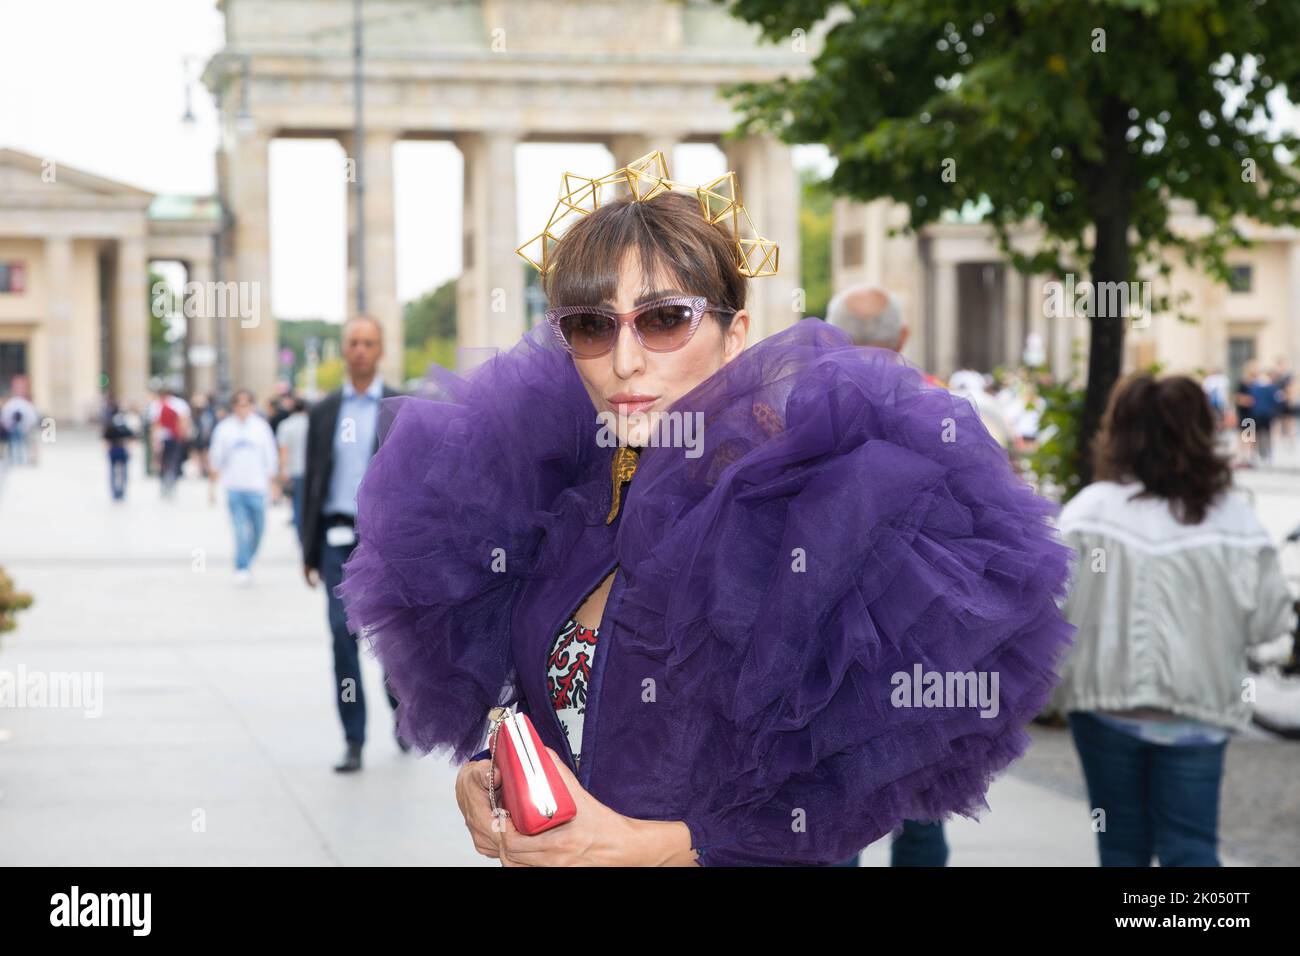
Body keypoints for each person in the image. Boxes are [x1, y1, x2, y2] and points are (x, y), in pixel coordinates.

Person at [338, 154, 1074, 866]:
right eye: (591, 325)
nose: (624, 360)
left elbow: (850, 795)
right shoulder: (557, 504)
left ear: (736, 334)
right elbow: (537, 702)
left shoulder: (806, 515)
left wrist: (667, 848)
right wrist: (485, 771)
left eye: (663, 319)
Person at [1051, 373, 1294, 867]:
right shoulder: (1234, 520)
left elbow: (1053, 613)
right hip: (1198, 707)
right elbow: (1270, 624)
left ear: (1118, 433)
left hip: (1105, 706)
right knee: (1191, 848)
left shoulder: (1087, 514)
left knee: (1120, 848)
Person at [826, 283, 953, 868]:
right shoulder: (947, 415)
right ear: (902, 339)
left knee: (832, 822)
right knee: (922, 815)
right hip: (926, 654)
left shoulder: (800, 415)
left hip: (828, 661)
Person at [300, 315, 404, 773]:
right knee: (342, 638)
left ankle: (402, 710)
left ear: (379, 350)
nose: (360, 350)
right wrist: (307, 551)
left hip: (383, 544)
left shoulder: (401, 406)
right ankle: (354, 739)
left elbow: (418, 483)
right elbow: (312, 484)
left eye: (369, 343)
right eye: (353, 343)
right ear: (344, 350)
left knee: (390, 640)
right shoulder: (323, 413)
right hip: (336, 540)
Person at [208, 389, 279, 584]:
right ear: (233, 406)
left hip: (257, 488)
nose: (243, 407)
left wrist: (274, 484)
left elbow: (270, 456)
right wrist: (211, 489)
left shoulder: (261, 428)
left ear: (252, 405)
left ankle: (247, 558)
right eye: (239, 403)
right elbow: (216, 459)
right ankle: (242, 565)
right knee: (240, 531)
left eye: (246, 403)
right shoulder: (224, 429)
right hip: (234, 487)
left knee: (259, 530)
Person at [148, 386, 191, 497]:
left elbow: (154, 424)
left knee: (165, 462)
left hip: (165, 438)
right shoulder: (179, 404)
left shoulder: (157, 405)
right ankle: (170, 483)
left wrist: (154, 441)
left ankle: (166, 483)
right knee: (172, 461)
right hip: (173, 437)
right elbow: (184, 421)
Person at [276, 397, 309, 533]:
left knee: (297, 504)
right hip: (310, 470)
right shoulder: (311, 423)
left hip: (294, 470)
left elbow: (283, 451)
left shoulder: (285, 425)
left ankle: (300, 532)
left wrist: (283, 471)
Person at [102, 398, 136, 501]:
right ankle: (120, 491)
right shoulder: (123, 423)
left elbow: (105, 439)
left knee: (113, 471)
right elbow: (131, 436)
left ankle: (116, 492)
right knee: (123, 472)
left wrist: (106, 449)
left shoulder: (110, 423)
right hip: (121, 449)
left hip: (114, 449)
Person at [1, 386, 38, 466]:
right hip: (20, 428)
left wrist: (9, 427)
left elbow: (5, 418)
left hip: (16, 428)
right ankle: (22, 459)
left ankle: (16, 459)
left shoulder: (10, 405)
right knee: (22, 444)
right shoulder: (23, 405)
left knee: (16, 444)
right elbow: (32, 417)